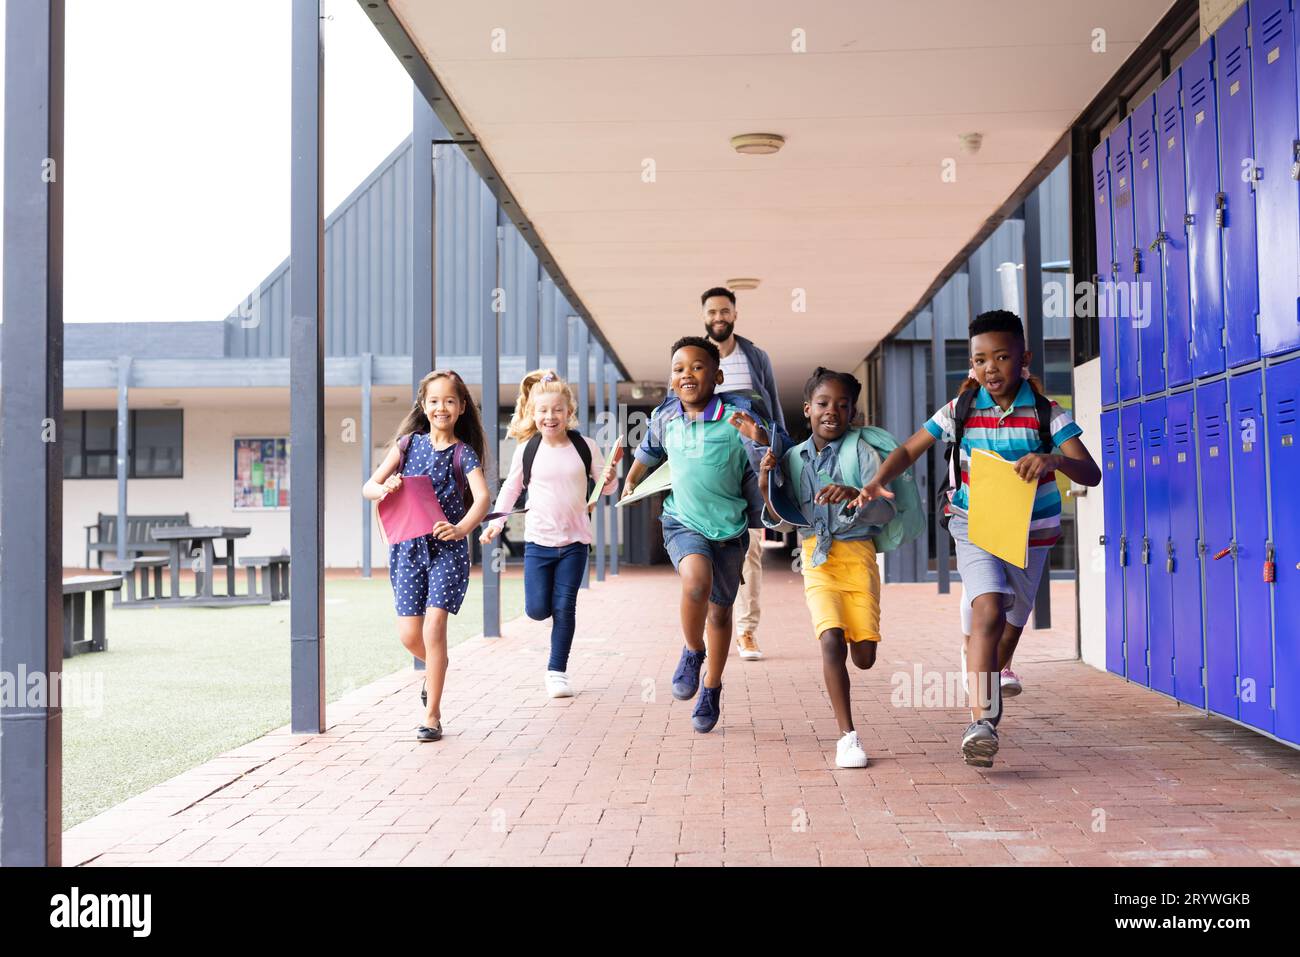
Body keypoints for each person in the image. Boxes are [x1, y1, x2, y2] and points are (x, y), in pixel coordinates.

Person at [857, 311, 1100, 767]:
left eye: (1002, 357)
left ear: (1023, 359)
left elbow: (1091, 471)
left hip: (1033, 532)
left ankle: (986, 672)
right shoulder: (960, 411)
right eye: (980, 359)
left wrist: (1053, 461)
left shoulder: (1049, 413)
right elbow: (910, 448)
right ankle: (981, 722)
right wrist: (876, 481)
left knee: (1009, 625)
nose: (991, 368)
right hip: (974, 523)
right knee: (988, 605)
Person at [621, 335, 784, 733]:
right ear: (672, 379)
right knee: (695, 582)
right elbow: (648, 453)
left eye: (697, 367)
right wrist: (630, 482)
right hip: (682, 520)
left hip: (729, 527)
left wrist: (763, 440)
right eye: (678, 369)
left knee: (720, 611)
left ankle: (712, 687)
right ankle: (693, 652)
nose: (686, 374)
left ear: (717, 375)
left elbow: (771, 455)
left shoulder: (736, 418)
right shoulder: (665, 418)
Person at [758, 368, 896, 768]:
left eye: (841, 405)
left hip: (859, 559)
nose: (831, 411)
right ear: (807, 410)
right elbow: (784, 518)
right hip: (817, 558)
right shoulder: (793, 459)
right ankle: (847, 737)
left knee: (864, 656)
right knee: (830, 639)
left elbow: (887, 510)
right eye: (822, 404)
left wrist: (858, 494)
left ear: (853, 413)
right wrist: (766, 482)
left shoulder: (862, 454)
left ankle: (862, 646)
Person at [363, 370, 491, 742]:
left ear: (462, 407)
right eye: (434, 400)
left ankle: (431, 715)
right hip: (407, 550)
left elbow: (482, 497)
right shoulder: (406, 446)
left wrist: (462, 528)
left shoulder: (463, 453)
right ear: (423, 405)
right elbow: (368, 486)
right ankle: (437, 666)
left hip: (447, 550)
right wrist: (384, 486)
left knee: (435, 628)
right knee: (409, 636)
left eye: (450, 400)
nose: (441, 407)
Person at [481, 369, 617, 699]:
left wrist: (612, 475)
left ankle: (557, 671)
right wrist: (495, 523)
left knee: (565, 606)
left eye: (557, 410)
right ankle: (547, 626)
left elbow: (606, 488)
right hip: (538, 543)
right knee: (538, 610)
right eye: (542, 410)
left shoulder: (585, 447)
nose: (549, 416)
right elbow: (511, 489)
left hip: (576, 542)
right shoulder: (527, 450)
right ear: (532, 413)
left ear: (568, 412)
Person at [700, 286, 786, 662]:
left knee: (750, 549)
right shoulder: (695, 357)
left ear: (735, 314)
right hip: (711, 465)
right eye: (712, 312)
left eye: (725, 311)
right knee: (705, 548)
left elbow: (773, 408)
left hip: (751, 465)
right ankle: (711, 625)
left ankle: (746, 632)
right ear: (704, 316)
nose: (719, 317)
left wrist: (777, 450)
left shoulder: (755, 357)